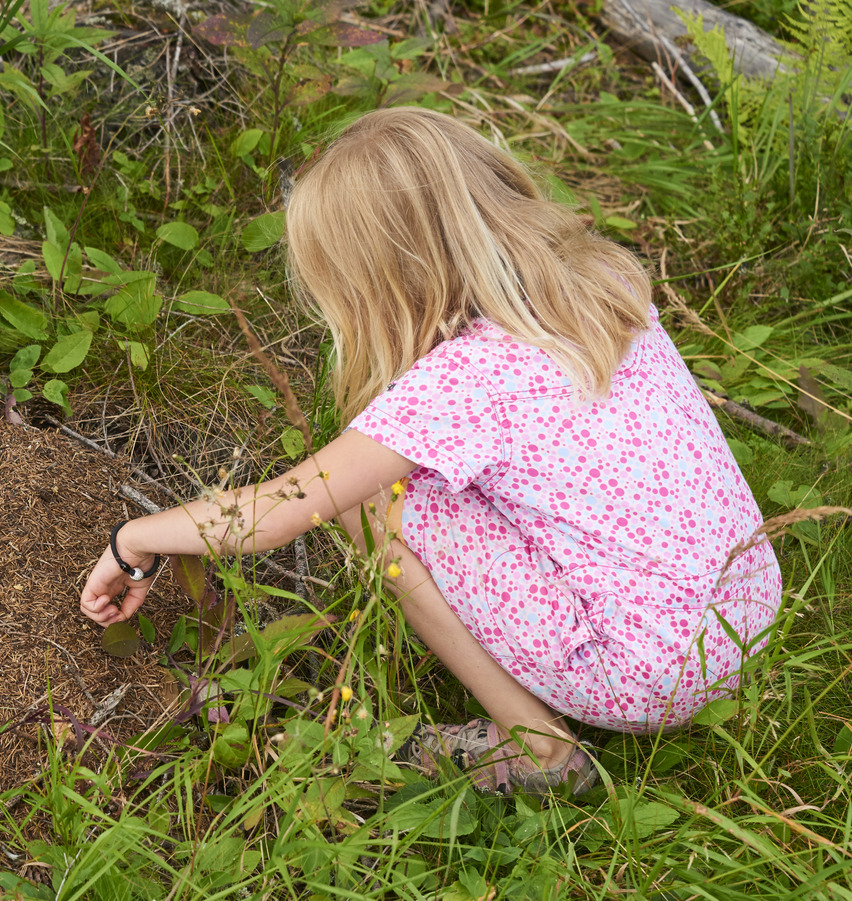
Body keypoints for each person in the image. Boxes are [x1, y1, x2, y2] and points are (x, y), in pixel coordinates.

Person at [77, 107, 782, 796]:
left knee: (361, 498)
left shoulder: (463, 382)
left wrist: (134, 538)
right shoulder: (602, 281)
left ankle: (538, 746)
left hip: (642, 675)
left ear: (381, 275)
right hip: (742, 610)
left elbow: (278, 511)